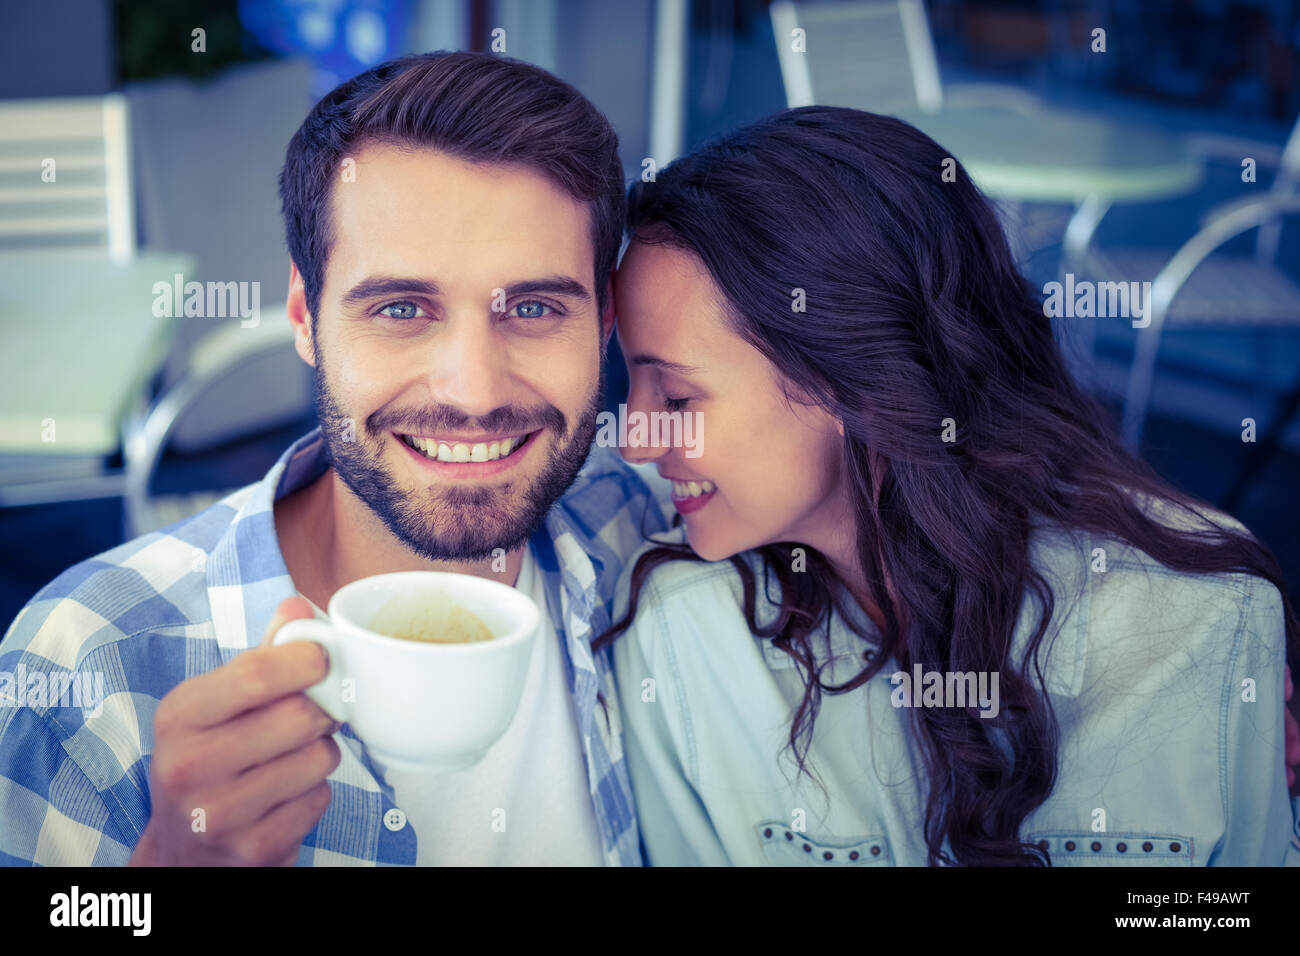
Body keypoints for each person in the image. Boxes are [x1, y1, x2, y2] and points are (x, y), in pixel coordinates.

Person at [0, 51, 673, 866]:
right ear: (305, 318)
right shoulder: (84, 670)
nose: (471, 391)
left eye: (532, 307)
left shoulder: (645, 528)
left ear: (602, 324)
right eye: (400, 307)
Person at [602, 105, 1300, 866]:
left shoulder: (1207, 621)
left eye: (676, 399)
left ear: (849, 378)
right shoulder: (682, 637)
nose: (636, 440)